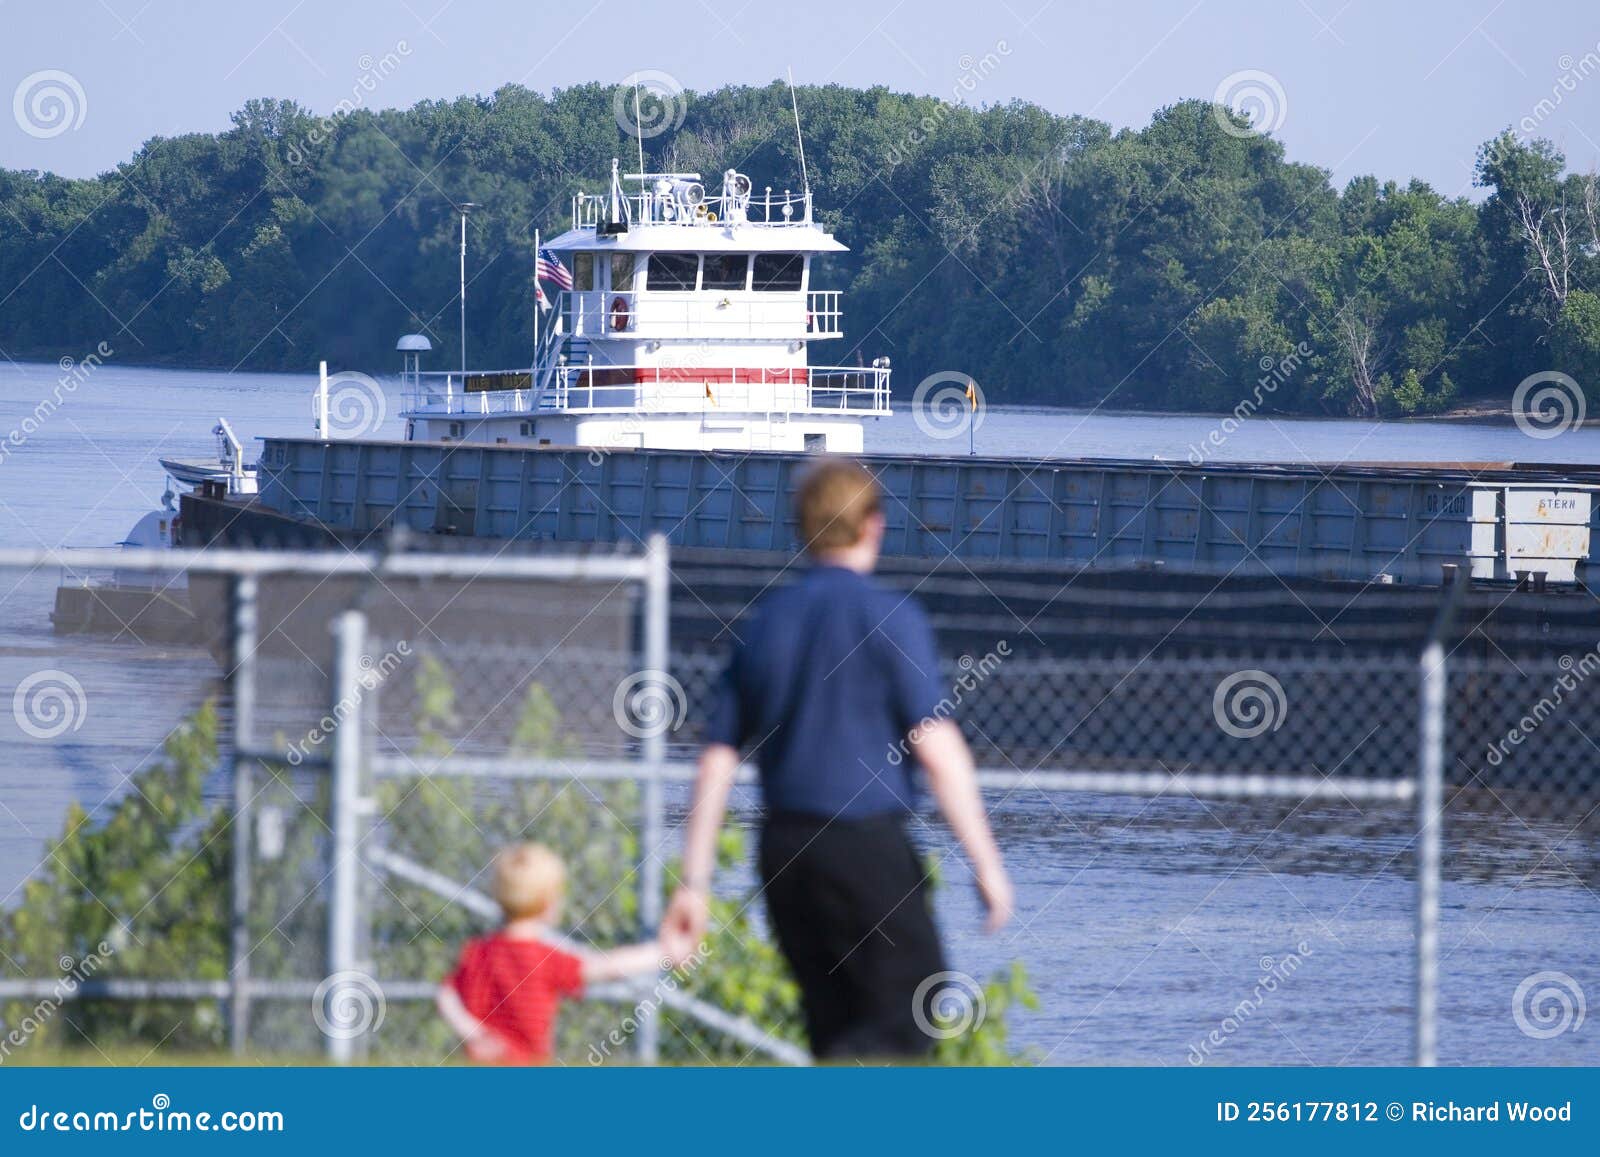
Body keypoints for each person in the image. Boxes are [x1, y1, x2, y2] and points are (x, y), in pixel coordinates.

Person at [661, 458, 1014, 1060]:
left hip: (784, 852)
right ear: (873, 526)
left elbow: (716, 759)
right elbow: (936, 745)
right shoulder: (891, 617)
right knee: (906, 1023)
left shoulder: (767, 624)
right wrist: (984, 860)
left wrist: (692, 885)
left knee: (833, 1031)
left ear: (803, 529)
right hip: (864, 846)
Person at [437, 842, 669, 1064]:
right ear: (549, 904)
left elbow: (447, 995)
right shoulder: (545, 960)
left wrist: (475, 1034)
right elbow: (606, 966)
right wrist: (664, 952)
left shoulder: (478, 952)